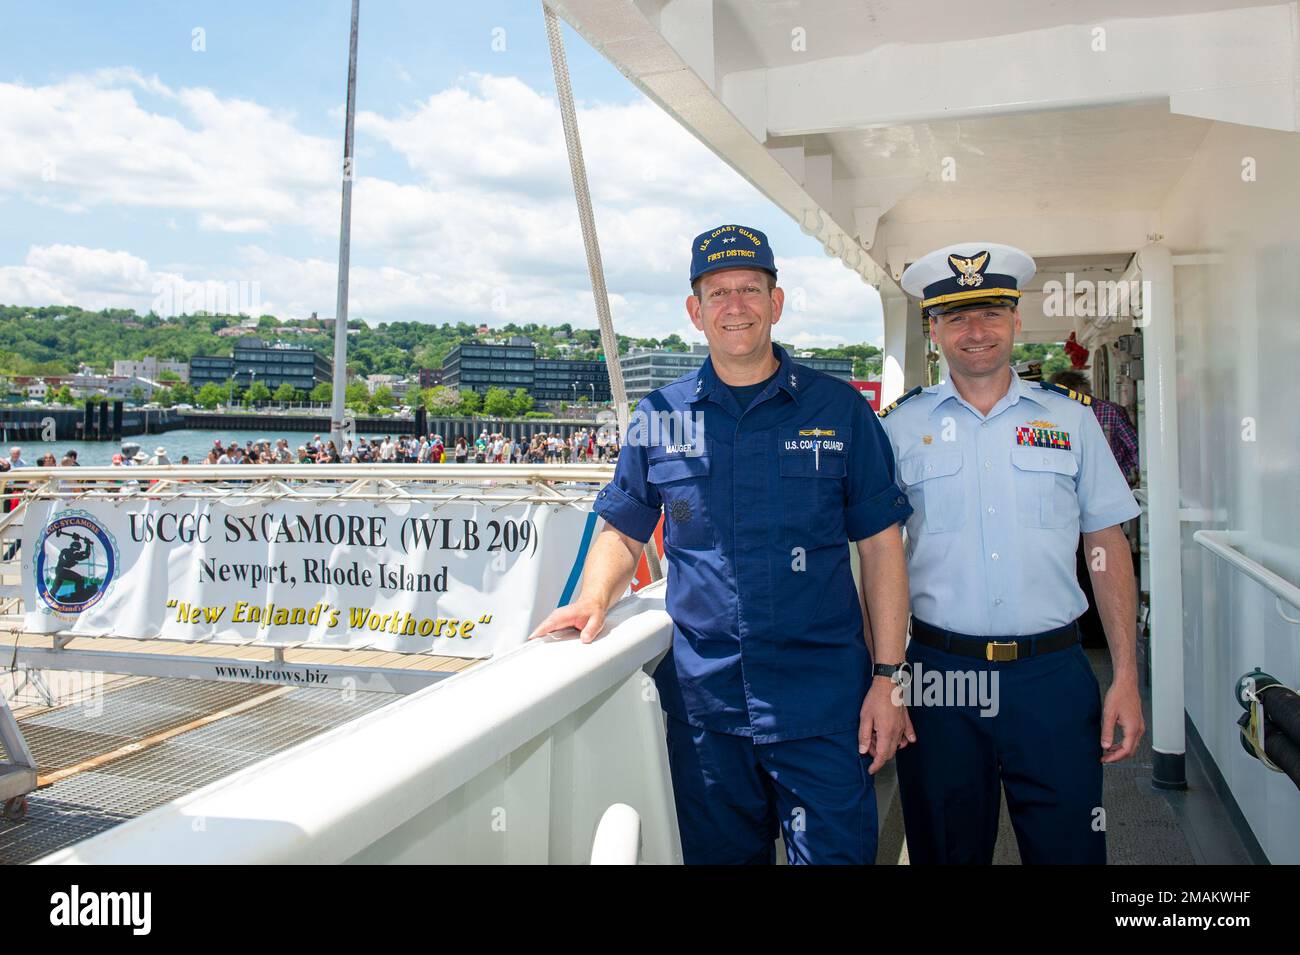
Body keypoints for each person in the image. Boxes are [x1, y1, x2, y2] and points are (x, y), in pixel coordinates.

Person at [529, 224, 913, 865]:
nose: (735, 306)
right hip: (708, 712)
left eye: (749, 290)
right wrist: (593, 597)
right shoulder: (660, 416)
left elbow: (881, 549)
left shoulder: (841, 411)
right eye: (718, 292)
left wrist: (887, 679)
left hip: (823, 706)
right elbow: (624, 526)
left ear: (776, 302)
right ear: (695, 311)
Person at [881, 242, 1144, 865]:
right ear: (934, 328)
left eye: (992, 313)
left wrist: (1128, 677)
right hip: (939, 679)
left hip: (1052, 677)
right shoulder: (896, 429)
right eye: (957, 317)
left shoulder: (1072, 421)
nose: (976, 331)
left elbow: (1106, 543)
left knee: (1071, 850)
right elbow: (876, 555)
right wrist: (883, 679)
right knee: (946, 850)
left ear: (1016, 319)